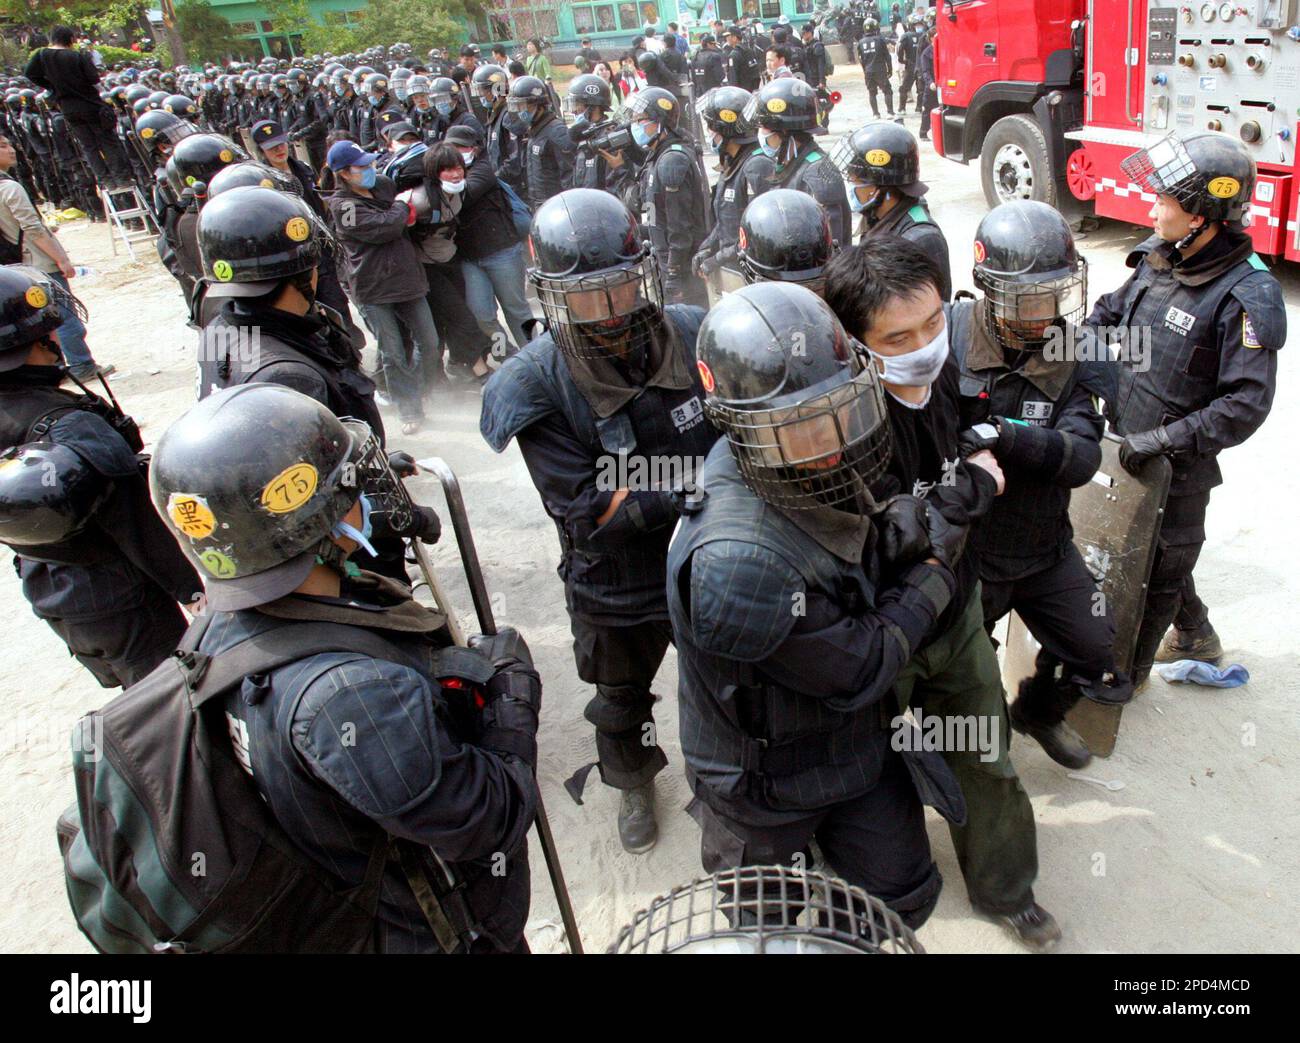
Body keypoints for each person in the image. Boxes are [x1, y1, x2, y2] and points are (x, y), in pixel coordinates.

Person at [150, 383, 541, 953]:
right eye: (347, 491)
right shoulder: (352, 699)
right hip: (427, 930)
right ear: (329, 525)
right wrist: (512, 702)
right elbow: (485, 820)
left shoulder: (218, 626)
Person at [668, 280, 962, 930]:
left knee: (898, 897)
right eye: (802, 426)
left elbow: (860, 517)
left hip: (854, 751)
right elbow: (859, 666)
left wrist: (904, 522)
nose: (832, 440)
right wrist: (933, 577)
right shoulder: (737, 563)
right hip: (763, 786)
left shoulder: (790, 454)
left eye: (839, 411)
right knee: (764, 924)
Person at [824, 237, 1061, 951]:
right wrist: (971, 489)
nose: (924, 348)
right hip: (879, 637)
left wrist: (954, 504)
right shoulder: (829, 425)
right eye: (898, 337)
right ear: (853, 344)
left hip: (954, 617)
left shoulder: (943, 370)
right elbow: (886, 539)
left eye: (932, 325)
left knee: (987, 758)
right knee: (872, 786)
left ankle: (1006, 888)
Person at [480, 189, 718, 853]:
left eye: (620, 288)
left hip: (709, 554)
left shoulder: (695, 330)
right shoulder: (537, 383)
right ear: (555, 296)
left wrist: (641, 487)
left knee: (731, 678)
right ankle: (633, 777)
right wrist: (683, 485)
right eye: (589, 297)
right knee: (621, 697)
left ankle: (724, 783)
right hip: (616, 580)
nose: (612, 311)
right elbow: (587, 509)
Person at [1083, 131, 1284, 685]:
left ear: (1202, 216)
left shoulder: (1248, 295)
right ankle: (1196, 630)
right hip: (1125, 442)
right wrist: (1074, 359)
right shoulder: (1159, 258)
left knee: (1163, 565)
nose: (1152, 208)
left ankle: (1131, 676)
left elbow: (1246, 404)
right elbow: (1108, 313)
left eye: (1164, 200)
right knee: (1136, 548)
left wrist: (1161, 442)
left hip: (1177, 465)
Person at [952, 201, 1110, 767]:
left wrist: (1008, 435)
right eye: (1025, 299)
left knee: (1095, 649)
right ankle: (981, 737)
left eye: (1053, 295)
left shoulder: (1079, 348)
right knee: (962, 674)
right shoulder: (951, 335)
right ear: (989, 291)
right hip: (970, 548)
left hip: (1044, 547)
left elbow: (1082, 457)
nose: (1042, 314)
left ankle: (1039, 711)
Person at [0, 265, 201, 688]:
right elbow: (138, 525)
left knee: (145, 696)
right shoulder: (68, 424)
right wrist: (195, 592)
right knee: (177, 706)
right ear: (40, 340)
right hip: (122, 596)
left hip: (54, 589)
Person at [325, 140, 438, 435]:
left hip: (407, 279)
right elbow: (382, 228)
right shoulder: (342, 206)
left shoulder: (384, 185)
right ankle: (409, 408)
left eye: (370, 164)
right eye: (361, 167)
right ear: (344, 173)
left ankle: (419, 389)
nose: (369, 170)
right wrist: (401, 206)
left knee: (429, 340)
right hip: (372, 287)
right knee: (393, 352)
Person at [0, 135, 109, 381]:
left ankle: (49, 370)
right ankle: (81, 365)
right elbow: (33, 229)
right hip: (37, 263)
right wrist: (61, 258)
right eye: (3, 146)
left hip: (12, 269)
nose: (12, 150)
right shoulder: (9, 188)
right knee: (63, 316)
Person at [830, 120, 951, 298]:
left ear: (877, 188)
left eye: (854, 180)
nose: (850, 187)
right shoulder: (879, 218)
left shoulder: (920, 239)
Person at [408, 143, 497, 383]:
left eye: (459, 167)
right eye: (448, 169)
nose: (456, 173)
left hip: (451, 261)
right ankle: (480, 372)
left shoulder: (460, 191)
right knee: (461, 318)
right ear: (435, 172)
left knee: (451, 321)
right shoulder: (419, 200)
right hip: (427, 268)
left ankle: (455, 367)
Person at [446, 124, 535, 351]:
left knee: (517, 311)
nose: (457, 152)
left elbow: (467, 194)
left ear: (474, 149)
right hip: (469, 258)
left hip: (502, 252)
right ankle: (509, 355)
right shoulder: (445, 175)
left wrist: (442, 186)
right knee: (482, 316)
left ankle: (536, 355)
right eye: (451, 147)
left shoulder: (482, 170)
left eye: (461, 147)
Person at [625, 87, 710, 307]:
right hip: (662, 259)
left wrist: (674, 274)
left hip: (681, 272)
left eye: (641, 120)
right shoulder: (657, 155)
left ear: (661, 122)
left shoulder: (672, 160)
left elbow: (679, 226)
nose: (636, 126)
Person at [25, 25, 134, 190]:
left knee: (88, 146)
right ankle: (121, 179)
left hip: (67, 107)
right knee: (107, 142)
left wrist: (52, 86)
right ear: (70, 40)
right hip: (91, 105)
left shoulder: (41, 55)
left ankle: (106, 181)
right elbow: (94, 80)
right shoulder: (77, 56)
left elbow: (30, 73)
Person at [747, 77, 850, 247]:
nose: (760, 133)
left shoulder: (817, 173)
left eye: (763, 127)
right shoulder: (788, 162)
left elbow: (828, 246)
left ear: (785, 130)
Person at [691, 86, 773, 283]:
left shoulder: (756, 166)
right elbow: (726, 220)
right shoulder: (731, 161)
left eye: (711, 127)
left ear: (725, 129)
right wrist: (707, 247)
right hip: (734, 266)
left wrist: (717, 259)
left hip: (752, 272)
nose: (709, 132)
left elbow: (758, 233)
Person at [507, 75, 576, 210]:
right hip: (538, 204)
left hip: (556, 205)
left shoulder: (556, 131)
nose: (519, 111)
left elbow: (569, 175)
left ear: (537, 105)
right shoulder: (534, 130)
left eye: (522, 106)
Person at [856, 18, 895, 120]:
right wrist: (889, 69)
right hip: (880, 70)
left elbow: (861, 59)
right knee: (887, 91)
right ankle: (890, 112)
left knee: (872, 92)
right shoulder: (880, 40)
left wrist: (865, 70)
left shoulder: (860, 43)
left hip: (868, 71)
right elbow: (887, 56)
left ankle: (875, 114)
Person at [918, 25, 938, 141]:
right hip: (931, 86)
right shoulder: (926, 53)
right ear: (931, 38)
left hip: (942, 85)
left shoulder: (943, 49)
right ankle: (923, 132)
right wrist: (930, 82)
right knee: (927, 109)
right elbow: (925, 71)